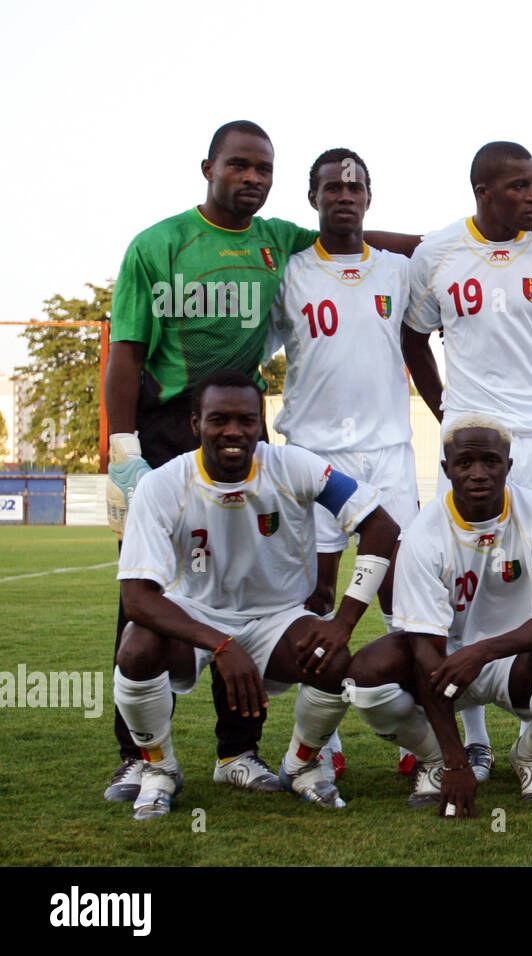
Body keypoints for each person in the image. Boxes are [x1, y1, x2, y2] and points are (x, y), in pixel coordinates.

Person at [103, 121, 319, 802]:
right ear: (208, 168)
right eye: (239, 166)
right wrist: (121, 447)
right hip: (167, 428)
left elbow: (357, 237)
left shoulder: (277, 239)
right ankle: (140, 756)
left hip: (238, 427)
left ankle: (238, 751)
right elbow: (125, 354)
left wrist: (450, 244)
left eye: (264, 169)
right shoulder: (157, 244)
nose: (252, 178)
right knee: (143, 589)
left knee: (245, 579)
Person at [113, 369, 399, 819]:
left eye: (246, 420)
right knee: (136, 647)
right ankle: (159, 770)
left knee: (332, 657)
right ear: (195, 424)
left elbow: (380, 525)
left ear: (260, 423)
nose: (234, 431)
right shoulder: (162, 484)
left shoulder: (293, 466)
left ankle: (300, 766)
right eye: (219, 420)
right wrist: (222, 644)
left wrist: (343, 622)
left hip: (276, 616)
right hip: (195, 611)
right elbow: (136, 598)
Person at [403, 141, 532, 783]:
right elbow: (413, 337)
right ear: (483, 192)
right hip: (470, 436)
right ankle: (473, 740)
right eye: (519, 186)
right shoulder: (437, 253)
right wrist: (445, 410)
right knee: (464, 579)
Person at [264, 147, 420, 781]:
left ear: (369, 197)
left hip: (389, 453)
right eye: (333, 187)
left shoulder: (398, 271)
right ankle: (319, 741)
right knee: (316, 596)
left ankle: (415, 731)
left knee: (405, 594)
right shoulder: (290, 274)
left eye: (355, 187)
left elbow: (446, 249)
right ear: (313, 198)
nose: (345, 196)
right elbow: (257, 348)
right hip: (312, 454)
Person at [345, 416, 532, 812]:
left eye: (490, 461)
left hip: (514, 661)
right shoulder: (422, 534)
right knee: (367, 674)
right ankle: (433, 761)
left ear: (508, 465)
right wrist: (455, 762)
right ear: (447, 469)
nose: (478, 473)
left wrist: (482, 651)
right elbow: (425, 652)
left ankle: (530, 756)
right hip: (446, 662)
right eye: (465, 462)